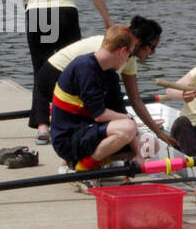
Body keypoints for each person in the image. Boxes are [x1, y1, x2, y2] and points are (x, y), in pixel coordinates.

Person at [20, 0, 110, 144]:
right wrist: (108, 22)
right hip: (66, 14)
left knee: (40, 69)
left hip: (38, 12)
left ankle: (42, 127)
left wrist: (27, 0)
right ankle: (73, 121)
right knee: (72, 69)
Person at [34, 15, 174, 149]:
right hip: (52, 76)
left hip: (73, 82)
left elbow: (136, 100)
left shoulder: (128, 60)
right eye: (152, 47)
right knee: (103, 107)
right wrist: (125, 120)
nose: (153, 52)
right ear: (138, 42)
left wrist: (158, 133)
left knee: (111, 100)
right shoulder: (109, 49)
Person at [49, 24, 141, 172]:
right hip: (68, 139)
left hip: (87, 131)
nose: (128, 59)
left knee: (149, 144)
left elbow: (119, 111)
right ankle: (83, 167)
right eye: (130, 55)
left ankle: (95, 161)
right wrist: (129, 121)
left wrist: (138, 155)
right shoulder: (84, 68)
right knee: (128, 127)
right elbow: (99, 115)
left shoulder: (110, 74)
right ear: (123, 51)